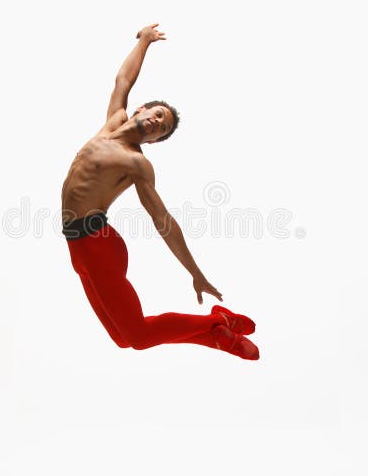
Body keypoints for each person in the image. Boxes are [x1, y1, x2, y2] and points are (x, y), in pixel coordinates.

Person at [60, 23, 259, 360]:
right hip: (77, 248)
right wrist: (144, 41)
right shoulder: (113, 122)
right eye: (157, 115)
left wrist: (195, 272)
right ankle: (215, 334)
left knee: (138, 336)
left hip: (98, 244)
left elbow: (162, 219)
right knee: (124, 339)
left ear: (153, 141)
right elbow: (123, 79)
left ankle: (218, 324)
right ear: (141, 110)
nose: (157, 123)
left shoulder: (136, 163)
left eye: (162, 128)